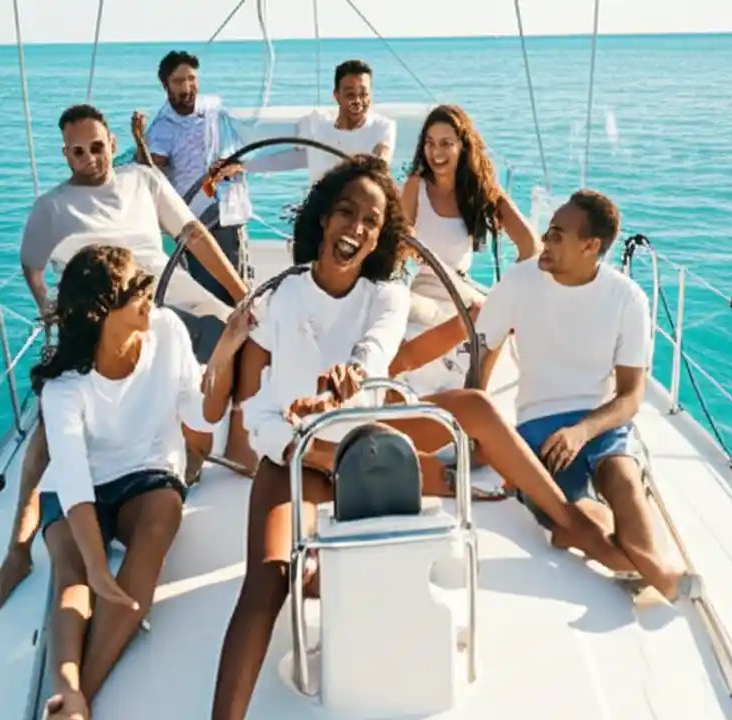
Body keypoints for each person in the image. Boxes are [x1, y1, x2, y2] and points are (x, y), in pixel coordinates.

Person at [206, 156, 634, 720]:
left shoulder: (387, 296)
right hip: (297, 458)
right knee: (266, 583)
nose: (356, 228)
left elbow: (376, 357)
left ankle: (569, 518)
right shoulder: (274, 302)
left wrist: (349, 381)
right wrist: (311, 445)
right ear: (323, 218)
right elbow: (256, 417)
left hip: (368, 436)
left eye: (372, 222)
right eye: (345, 212)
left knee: (474, 406)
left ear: (382, 236)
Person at [0, 103, 248, 616]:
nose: (89, 159)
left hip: (161, 296)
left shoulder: (142, 181)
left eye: (97, 147)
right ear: (65, 153)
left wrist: (242, 295)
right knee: (46, 437)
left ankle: (197, 461)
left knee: (242, 339)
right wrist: (50, 316)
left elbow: (191, 234)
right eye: (77, 151)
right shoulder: (51, 207)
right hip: (95, 322)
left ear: (111, 142)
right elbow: (32, 266)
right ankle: (17, 551)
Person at [474, 189, 696, 602]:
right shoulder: (521, 281)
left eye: (557, 234)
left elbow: (630, 396)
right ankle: (657, 572)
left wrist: (581, 431)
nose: (544, 239)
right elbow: (484, 352)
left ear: (590, 246)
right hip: (537, 428)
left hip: (600, 424)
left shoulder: (627, 298)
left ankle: (638, 561)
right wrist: (473, 421)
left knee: (624, 482)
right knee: (573, 511)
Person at [31, 245, 223, 720]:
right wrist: (98, 568)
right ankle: (65, 686)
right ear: (100, 313)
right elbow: (73, 480)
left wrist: (228, 353)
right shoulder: (63, 388)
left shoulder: (168, 330)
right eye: (134, 287)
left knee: (159, 528)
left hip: (148, 473)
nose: (148, 290)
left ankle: (79, 700)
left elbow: (198, 414)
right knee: (73, 576)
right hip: (82, 490)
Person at [401, 104, 540, 328]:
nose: (436, 152)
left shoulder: (482, 190)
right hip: (422, 294)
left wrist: (508, 294)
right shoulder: (414, 187)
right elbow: (399, 243)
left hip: (462, 292)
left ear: (462, 146)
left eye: (446, 144)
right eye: (430, 143)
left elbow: (530, 245)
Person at [137, 50, 251, 308]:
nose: (187, 88)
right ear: (165, 85)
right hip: (193, 218)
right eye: (178, 81)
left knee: (238, 285)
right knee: (207, 293)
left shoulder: (215, 110)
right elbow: (152, 172)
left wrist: (235, 162)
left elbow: (241, 140)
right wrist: (139, 140)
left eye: (192, 79)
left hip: (224, 211)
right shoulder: (161, 128)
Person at [211, 59, 396, 185]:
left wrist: (377, 163)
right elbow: (293, 159)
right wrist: (243, 166)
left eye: (364, 94)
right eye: (350, 94)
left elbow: (383, 158)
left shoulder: (382, 126)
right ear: (336, 95)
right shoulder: (317, 126)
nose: (358, 101)